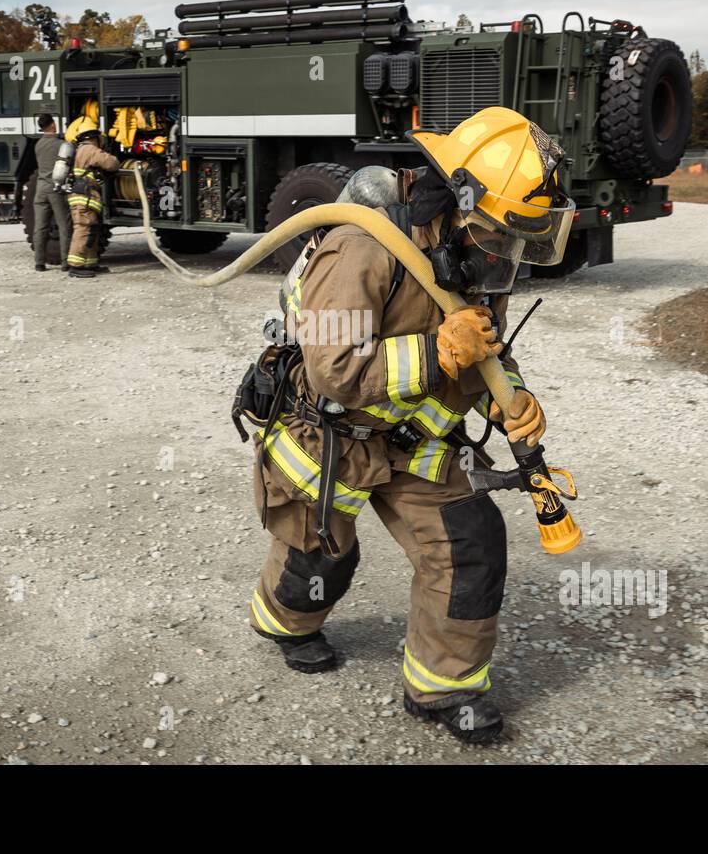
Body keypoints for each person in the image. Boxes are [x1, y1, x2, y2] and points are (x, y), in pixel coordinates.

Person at [242, 107, 576, 743]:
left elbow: (486, 349)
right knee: (320, 562)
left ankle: (444, 686)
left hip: (414, 443)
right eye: (497, 235)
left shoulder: (479, 250)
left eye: (518, 241)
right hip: (329, 436)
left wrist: (512, 398)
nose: (506, 255)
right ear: (453, 201)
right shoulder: (360, 247)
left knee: (471, 546)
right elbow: (335, 368)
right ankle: (286, 624)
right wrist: (436, 355)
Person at [64, 127, 119, 277]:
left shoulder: (78, 149)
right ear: (95, 138)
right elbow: (111, 163)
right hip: (84, 198)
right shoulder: (89, 150)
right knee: (83, 229)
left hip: (85, 197)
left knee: (92, 230)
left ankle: (90, 264)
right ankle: (75, 266)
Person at [31, 113, 70, 272]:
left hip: (40, 189)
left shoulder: (38, 144)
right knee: (64, 225)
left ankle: (39, 262)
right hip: (55, 189)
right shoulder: (61, 144)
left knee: (40, 227)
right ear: (53, 125)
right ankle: (65, 262)